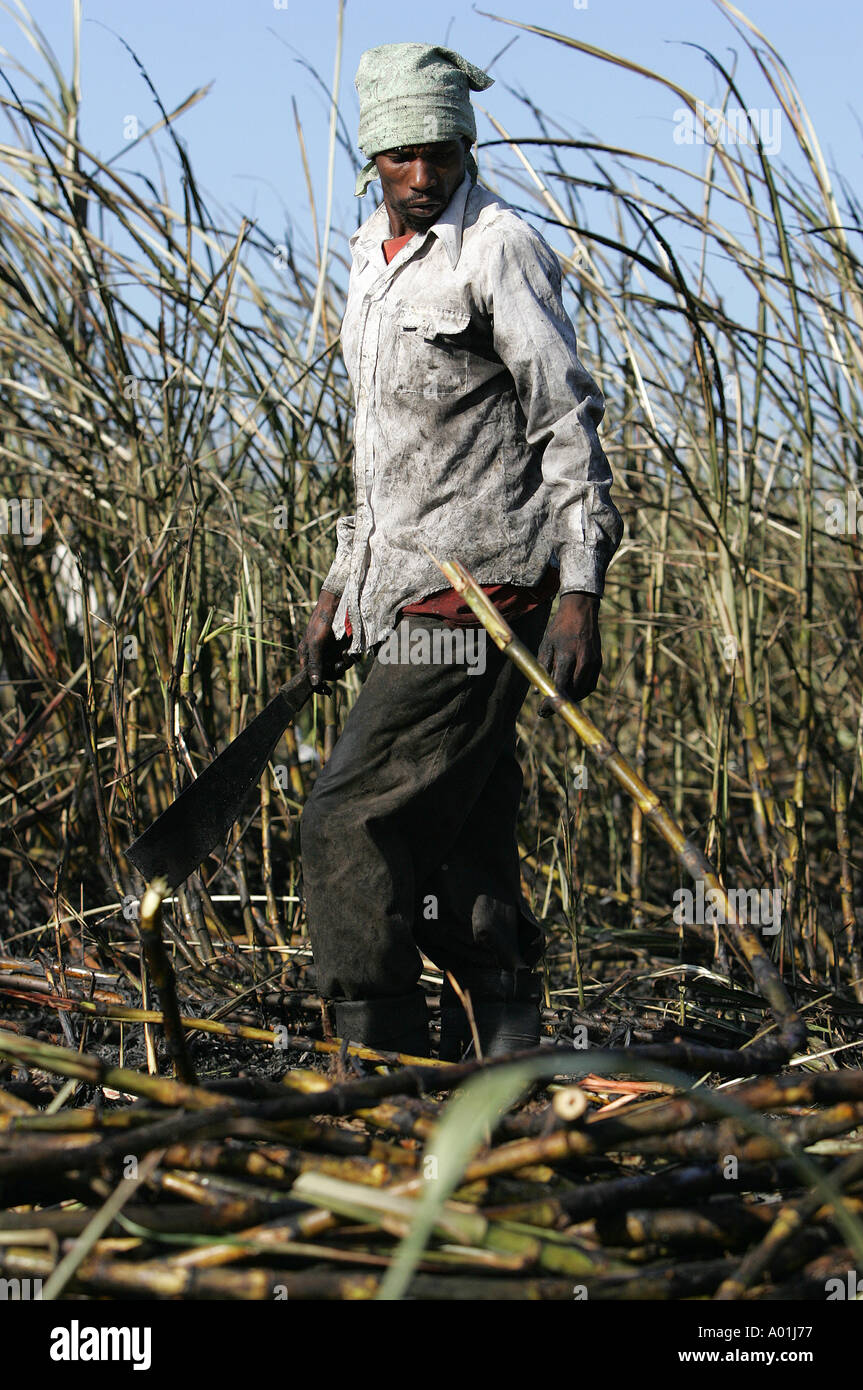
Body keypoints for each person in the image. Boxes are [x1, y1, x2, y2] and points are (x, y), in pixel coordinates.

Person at [298, 42, 623, 1059]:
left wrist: (579, 587)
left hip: (485, 594)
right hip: (401, 591)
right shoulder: (366, 260)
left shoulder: (498, 247)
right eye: (400, 155)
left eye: (439, 151)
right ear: (373, 155)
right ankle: (507, 1069)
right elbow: (382, 462)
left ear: (461, 143)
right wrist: (339, 592)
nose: (422, 174)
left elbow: (564, 420)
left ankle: (376, 1073)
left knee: (348, 823)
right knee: (458, 850)